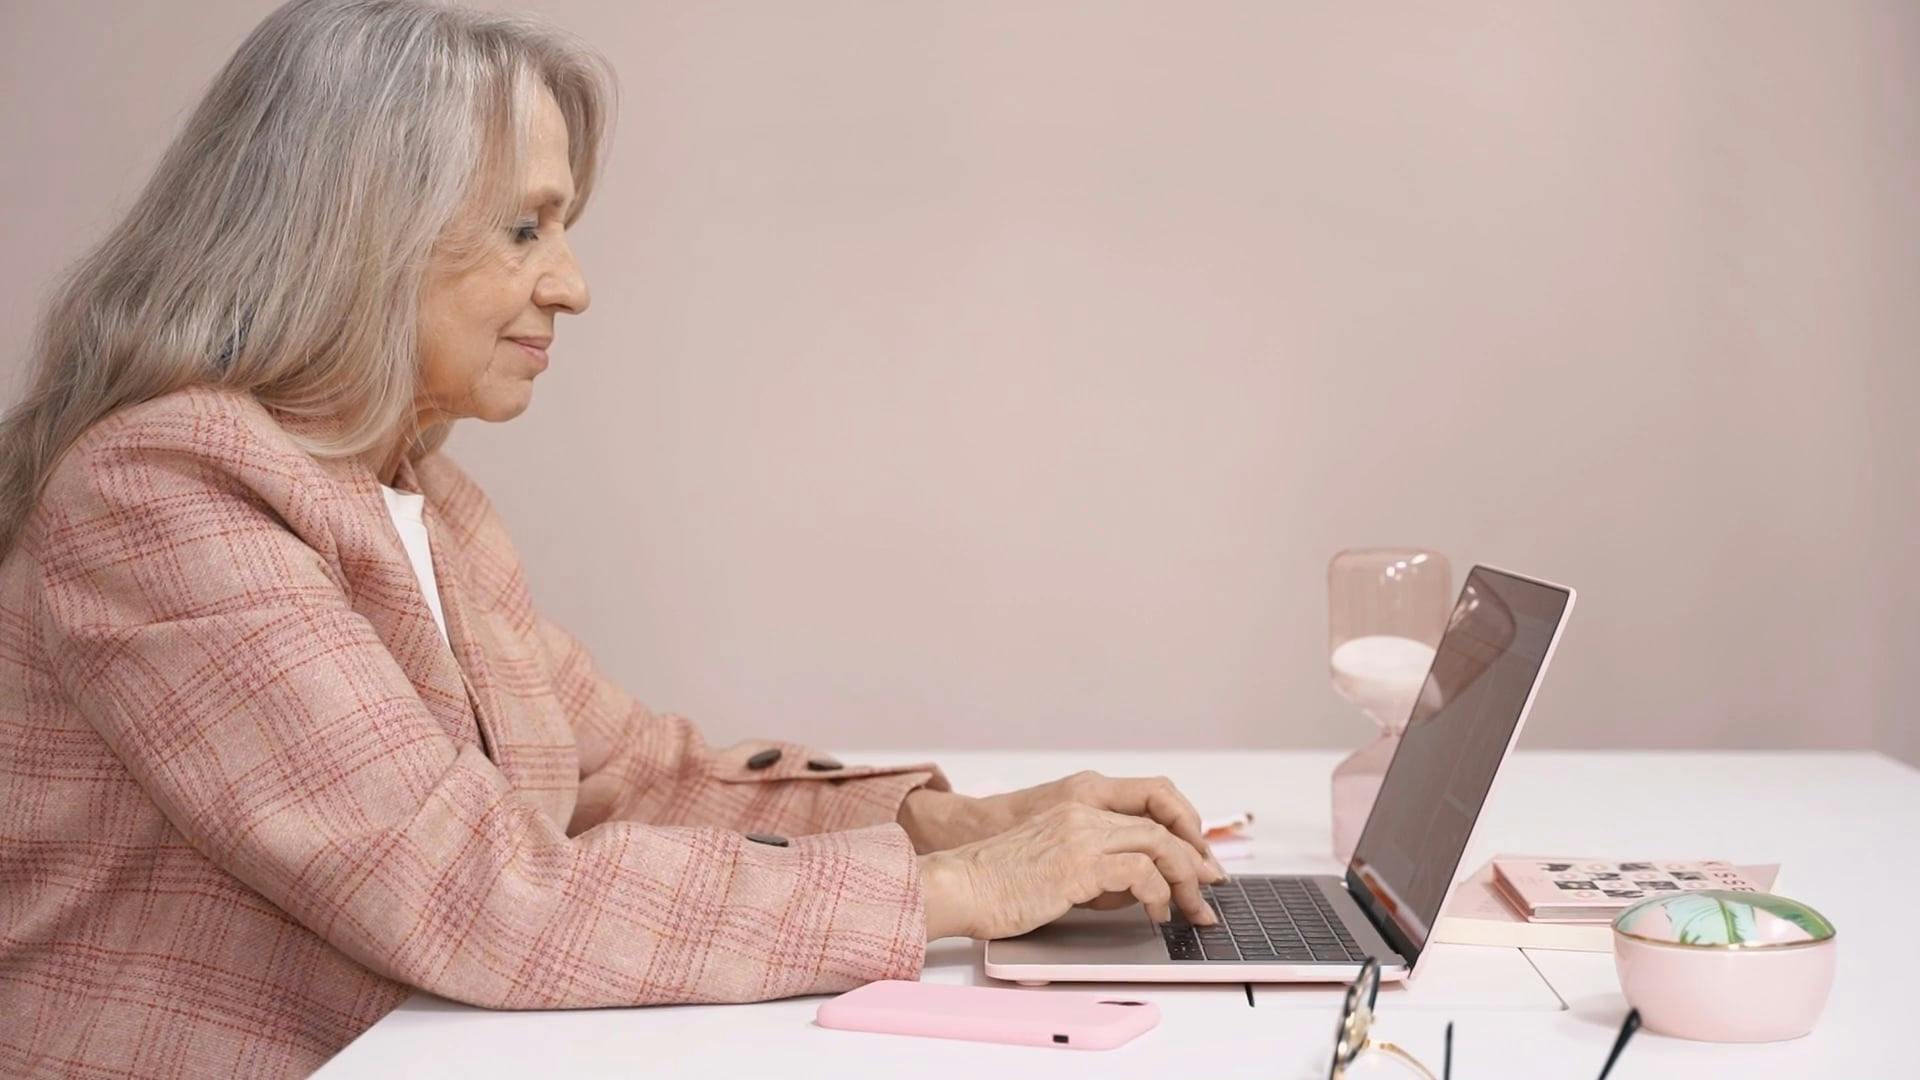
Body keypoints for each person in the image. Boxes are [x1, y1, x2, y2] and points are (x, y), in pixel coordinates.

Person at [0, 2, 1221, 1076]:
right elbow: (475, 895)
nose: (573, 284)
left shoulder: (420, 499)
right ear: (359, 232)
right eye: (526, 229)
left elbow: (634, 777)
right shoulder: (161, 496)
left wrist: (943, 825)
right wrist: (958, 894)